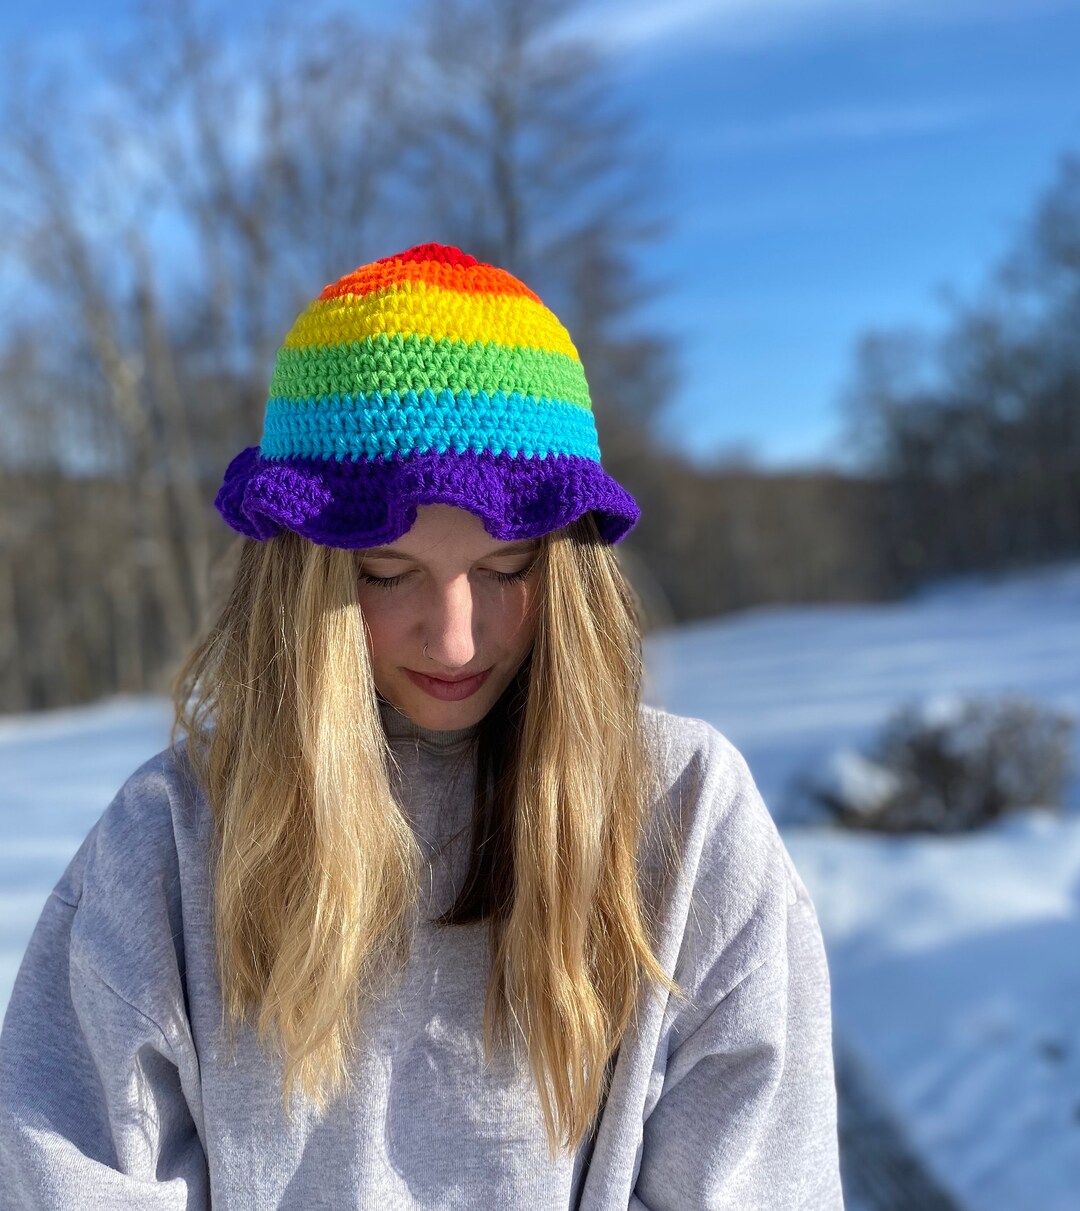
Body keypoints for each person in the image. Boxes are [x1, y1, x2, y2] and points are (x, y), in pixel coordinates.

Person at [0, 242, 844, 1208]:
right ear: (302, 575)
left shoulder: (684, 814)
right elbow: (61, 1165)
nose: (452, 638)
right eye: (386, 574)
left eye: (508, 565)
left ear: (568, 568)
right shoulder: (176, 837)